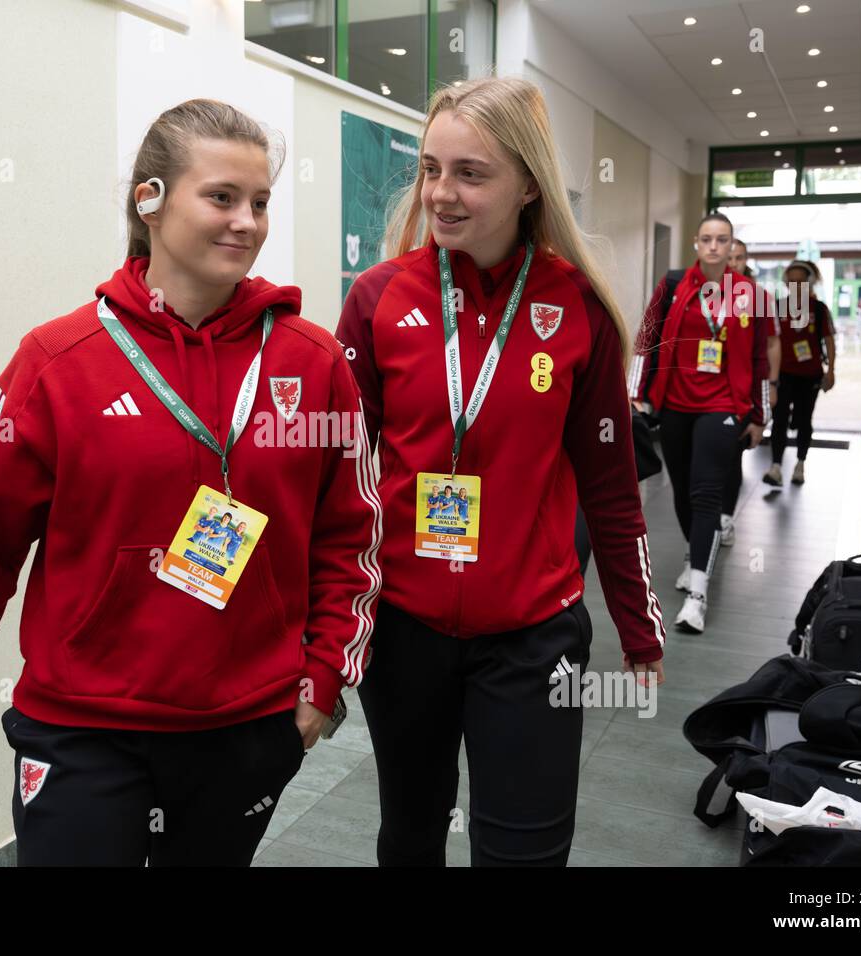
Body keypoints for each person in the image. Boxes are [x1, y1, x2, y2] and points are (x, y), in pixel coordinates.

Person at [0, 99, 382, 866]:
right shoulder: (57, 363)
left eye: (260, 203)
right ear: (149, 202)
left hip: (245, 727)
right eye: (221, 197)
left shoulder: (312, 362)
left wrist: (322, 680)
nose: (247, 222)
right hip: (82, 727)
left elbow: (350, 536)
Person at [335, 76, 666, 867]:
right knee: (411, 837)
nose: (441, 194)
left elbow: (612, 491)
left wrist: (639, 627)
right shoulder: (379, 300)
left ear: (527, 184)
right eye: (429, 169)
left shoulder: (576, 309)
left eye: (470, 174)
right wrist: (321, 628)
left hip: (532, 637)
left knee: (524, 851)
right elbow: (335, 480)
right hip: (404, 631)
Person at [630, 213, 770, 633]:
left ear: (732, 247)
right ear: (696, 242)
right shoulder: (673, 286)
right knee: (682, 492)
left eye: (722, 240)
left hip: (723, 406)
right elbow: (647, 337)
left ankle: (698, 595)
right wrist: (637, 395)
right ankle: (696, 555)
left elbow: (761, 359)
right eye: (706, 238)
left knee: (706, 493)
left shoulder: (750, 293)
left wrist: (760, 417)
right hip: (674, 403)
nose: (713, 246)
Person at [718, 239, 781, 546]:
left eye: (739, 258)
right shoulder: (706, 293)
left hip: (741, 394)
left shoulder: (757, 298)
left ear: (746, 261)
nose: (733, 262)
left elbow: (771, 344)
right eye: (729, 257)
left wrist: (772, 385)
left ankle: (726, 518)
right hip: (706, 392)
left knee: (731, 458)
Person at [764, 259, 836, 486]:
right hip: (782, 373)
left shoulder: (819, 309)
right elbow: (768, 341)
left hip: (810, 374)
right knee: (779, 420)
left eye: (800, 282)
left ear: (809, 283)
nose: (795, 286)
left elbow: (829, 340)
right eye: (791, 282)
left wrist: (831, 370)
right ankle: (776, 466)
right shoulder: (776, 307)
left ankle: (800, 464)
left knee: (804, 420)